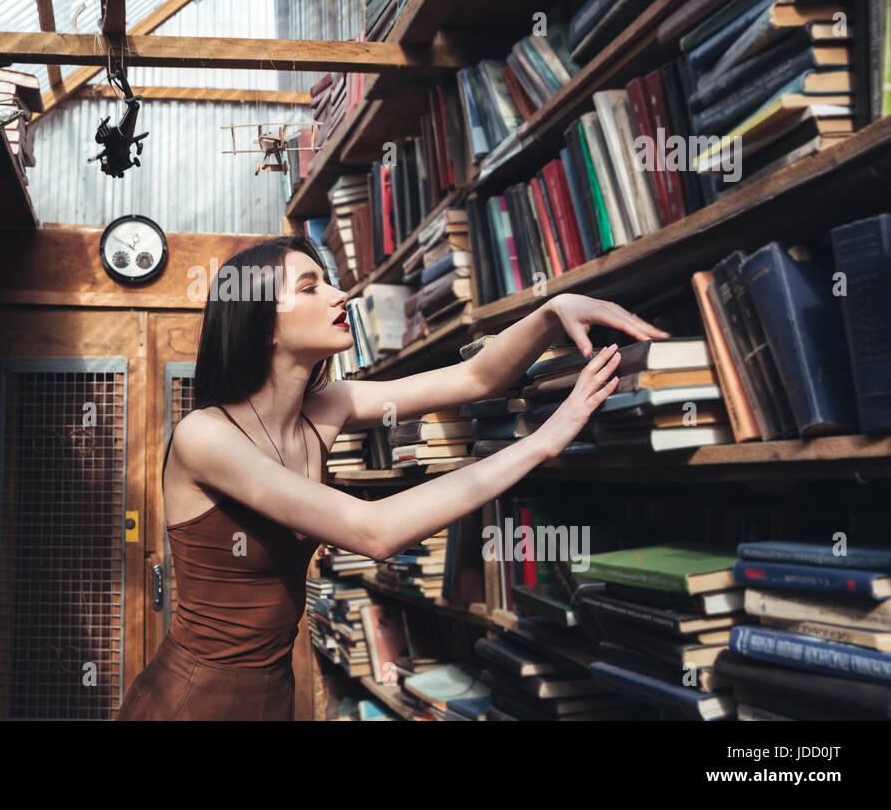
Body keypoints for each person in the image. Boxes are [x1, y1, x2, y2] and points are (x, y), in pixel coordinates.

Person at [114, 235, 668, 720]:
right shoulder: (205, 436)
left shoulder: (326, 406)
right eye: (310, 288)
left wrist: (553, 310)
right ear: (262, 326)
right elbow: (374, 532)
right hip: (192, 698)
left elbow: (477, 377)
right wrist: (541, 441)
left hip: (274, 691)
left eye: (329, 282)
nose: (340, 296)